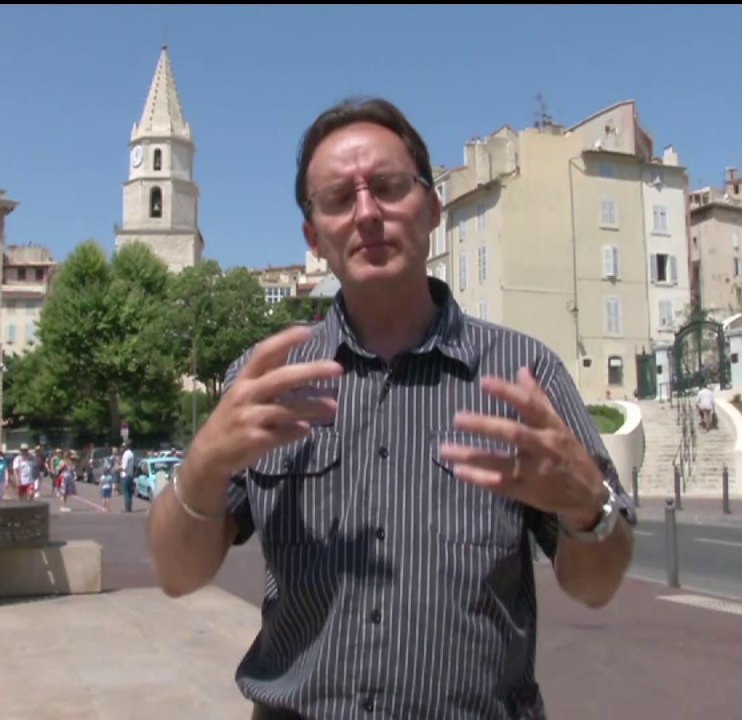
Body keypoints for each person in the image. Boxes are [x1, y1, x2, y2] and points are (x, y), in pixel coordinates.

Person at [146, 97, 636, 719]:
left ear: (431, 209)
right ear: (313, 237)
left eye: (388, 187)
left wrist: (587, 505)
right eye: (338, 199)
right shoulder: (267, 380)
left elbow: (597, 585)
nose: (367, 213)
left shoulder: (525, 375)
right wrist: (203, 465)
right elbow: (178, 574)